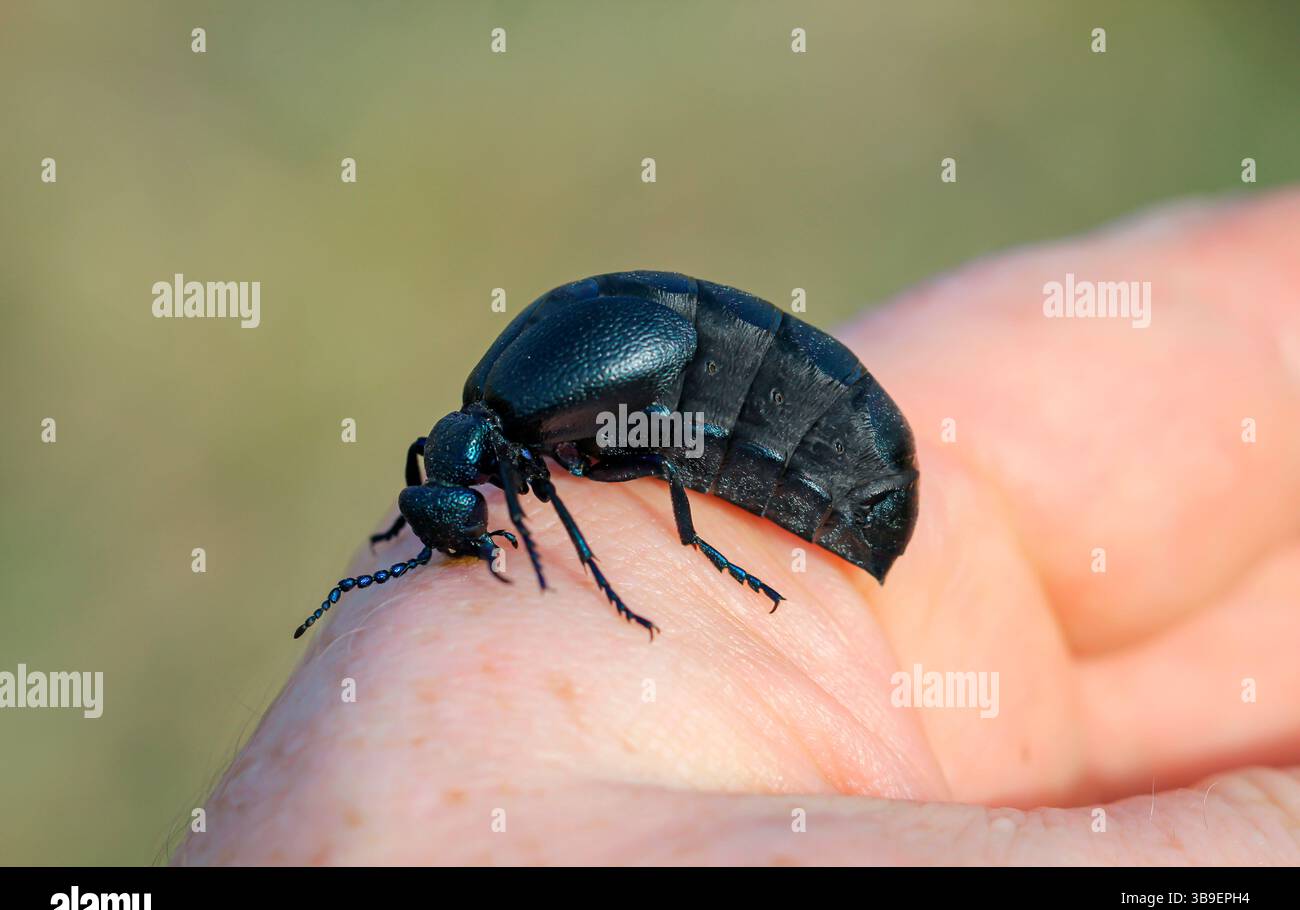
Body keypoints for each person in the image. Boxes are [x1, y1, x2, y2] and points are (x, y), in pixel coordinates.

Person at [176, 190, 1300, 865]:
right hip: (667, 381)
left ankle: (705, 545)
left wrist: (641, 579)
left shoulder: (513, 435)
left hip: (726, 397)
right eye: (449, 528)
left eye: (454, 522)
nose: (473, 533)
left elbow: (587, 465)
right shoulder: (476, 444)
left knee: (656, 452)